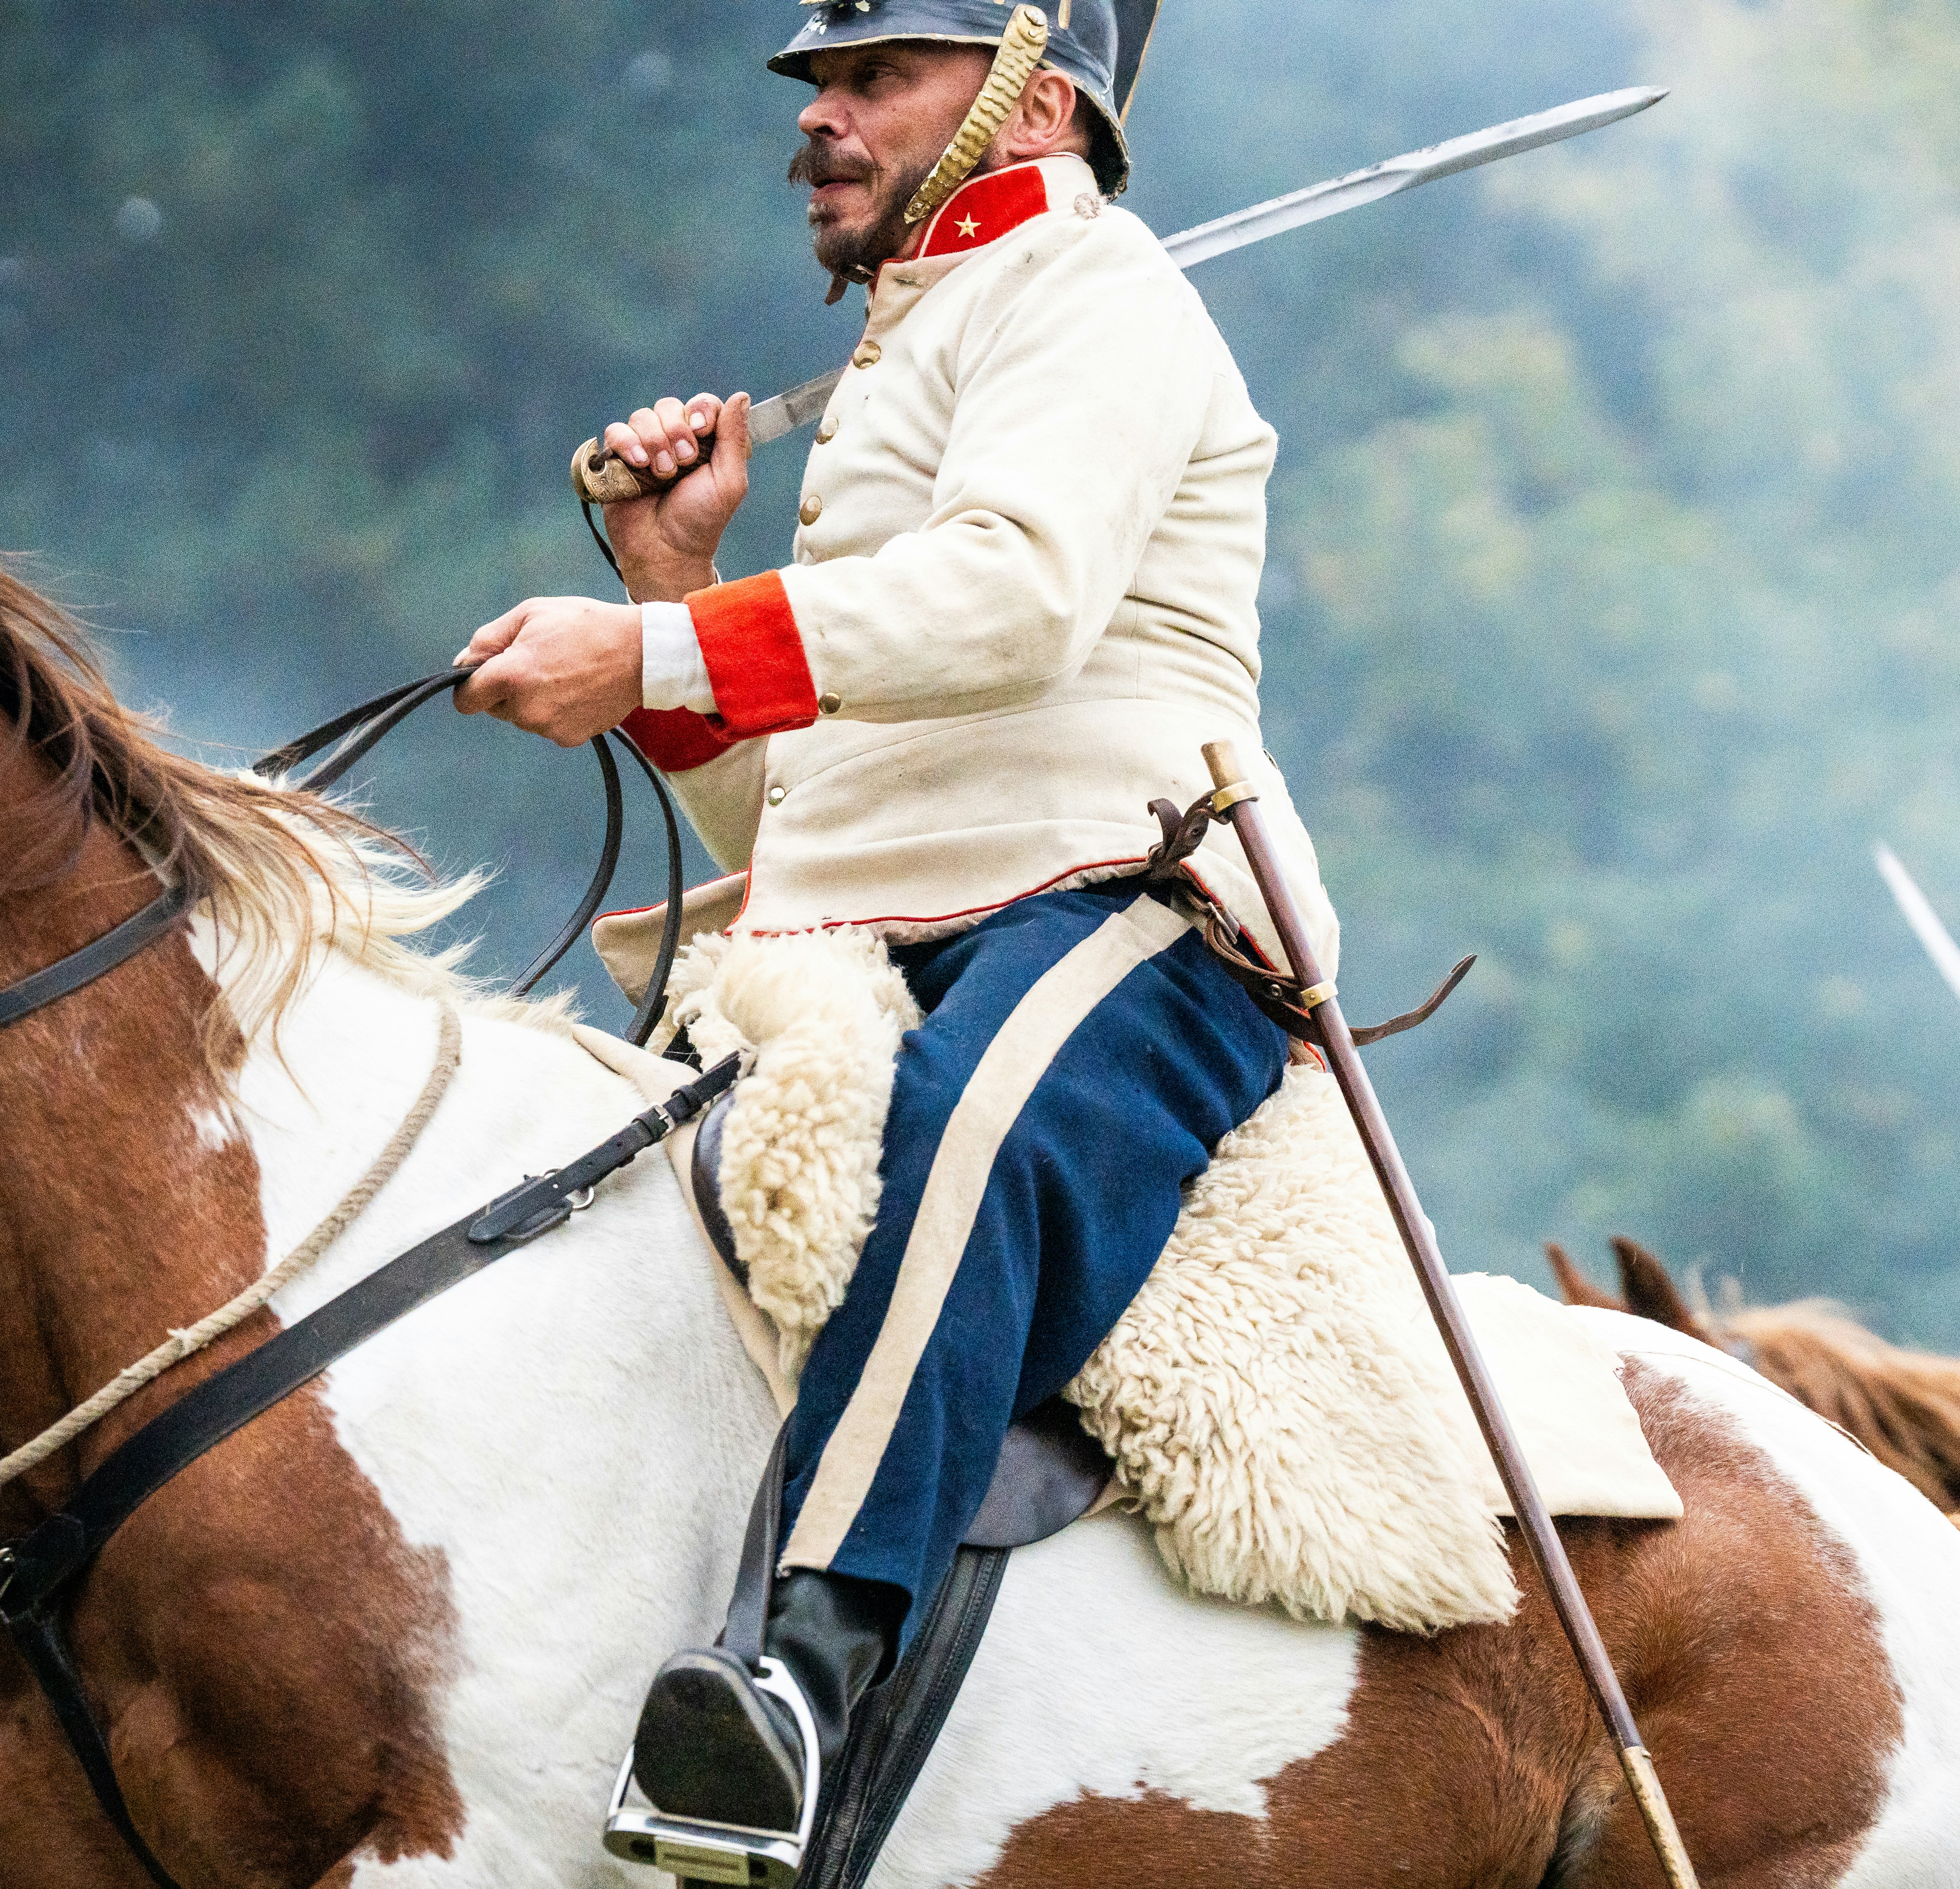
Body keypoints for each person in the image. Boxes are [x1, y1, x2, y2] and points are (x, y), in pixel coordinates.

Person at [447, 0, 1336, 1860]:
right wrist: (677, 582)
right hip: (858, 916)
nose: (821, 125)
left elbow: (1014, 599)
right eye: (820, 89)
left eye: (874, 81)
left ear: (1037, 89)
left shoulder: (1098, 295)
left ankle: (798, 1672)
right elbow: (793, 820)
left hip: (1132, 896)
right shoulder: (895, 372)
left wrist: (650, 648)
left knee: (963, 1128)